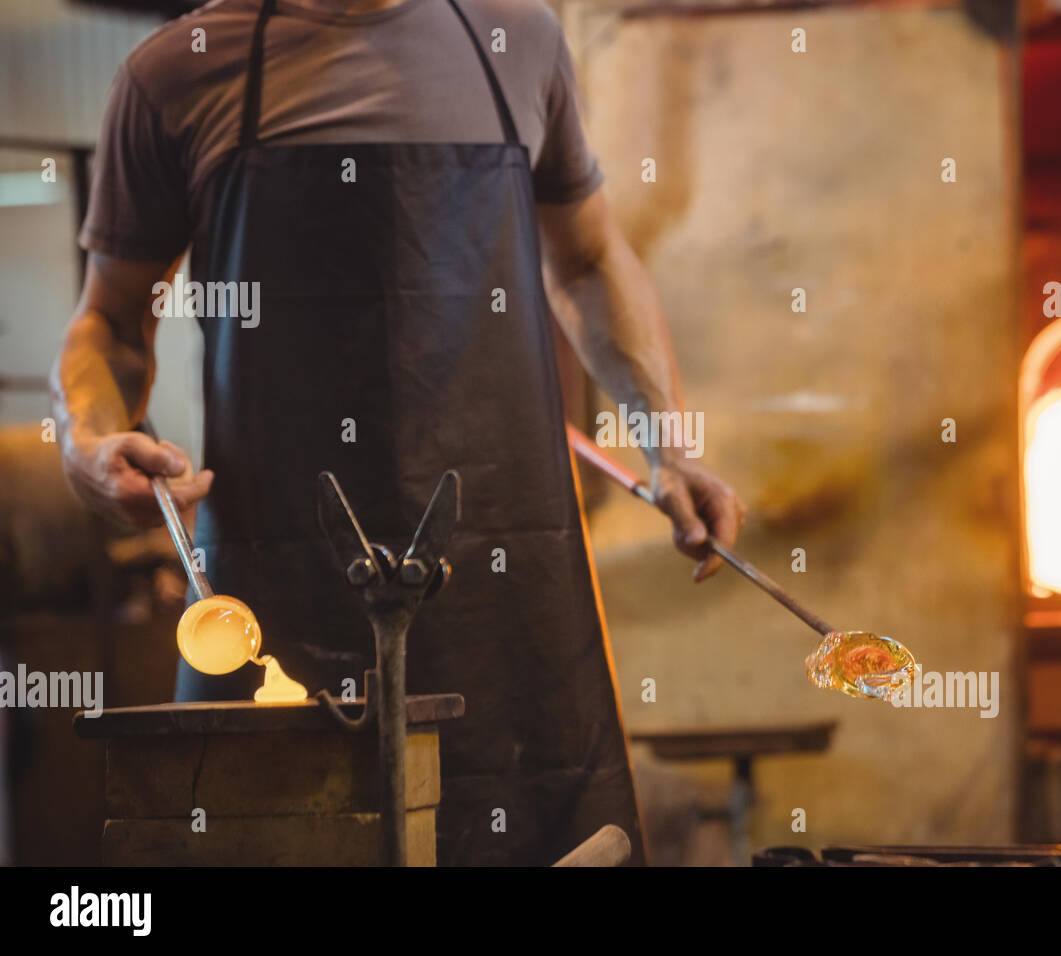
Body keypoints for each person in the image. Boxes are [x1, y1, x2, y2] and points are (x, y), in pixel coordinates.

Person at [50, 0, 744, 866]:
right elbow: (112, 318)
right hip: (279, 582)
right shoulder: (177, 71)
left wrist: (669, 444)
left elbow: (591, 257)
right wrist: (88, 439)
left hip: (509, 587)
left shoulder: (517, 43)